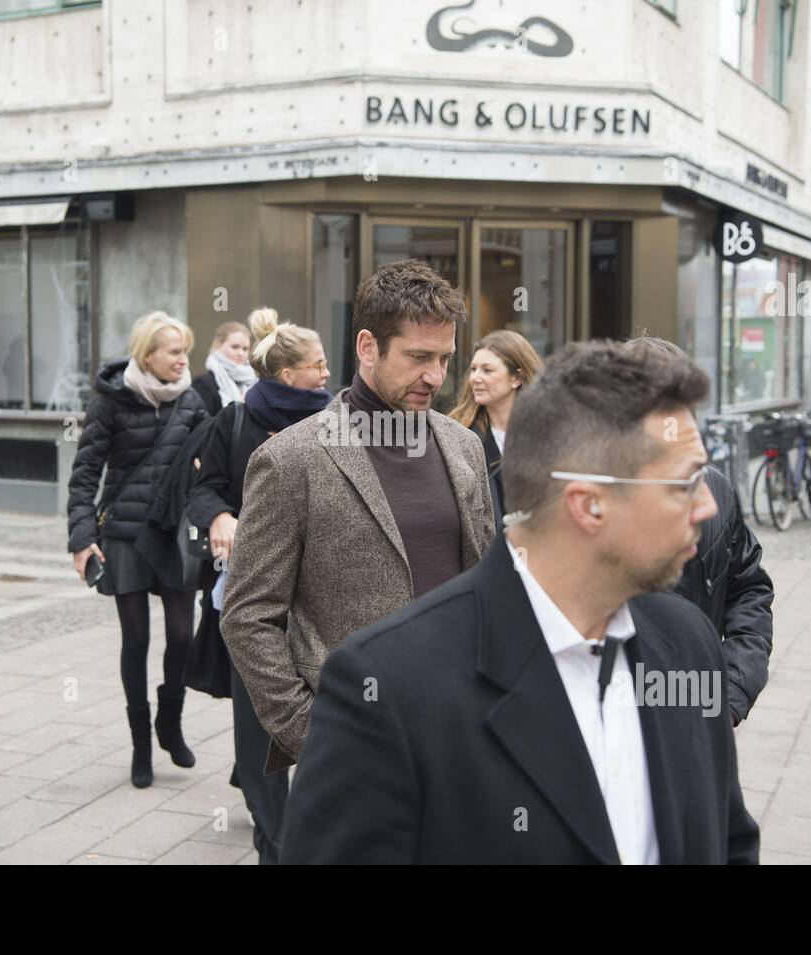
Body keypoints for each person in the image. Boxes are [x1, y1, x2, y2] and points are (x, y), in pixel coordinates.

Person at [280, 339, 759, 864]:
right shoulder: (389, 691)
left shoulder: (687, 642)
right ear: (589, 505)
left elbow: (729, 841)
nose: (708, 505)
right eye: (684, 483)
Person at [221, 259, 495, 774]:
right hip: (356, 749)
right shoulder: (291, 459)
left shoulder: (464, 447)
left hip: (461, 732)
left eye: (444, 358)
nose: (435, 376)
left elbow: (485, 584)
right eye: (418, 357)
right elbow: (248, 614)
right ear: (368, 347)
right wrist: (314, 733)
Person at [186, 309, 331, 864]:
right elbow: (202, 490)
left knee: (320, 722)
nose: (325, 372)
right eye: (317, 364)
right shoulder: (235, 420)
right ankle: (276, 846)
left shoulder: (340, 423)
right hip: (254, 602)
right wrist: (220, 515)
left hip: (321, 600)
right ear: (287, 373)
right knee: (257, 728)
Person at [67, 313, 209, 788]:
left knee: (183, 637)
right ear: (147, 354)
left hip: (172, 534)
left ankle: (169, 722)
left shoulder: (191, 401)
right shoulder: (110, 402)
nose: (182, 359)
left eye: (185, 351)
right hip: (124, 536)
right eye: (173, 351)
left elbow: (214, 462)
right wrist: (81, 538)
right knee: (135, 641)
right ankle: (141, 746)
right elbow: (85, 473)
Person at [627, 337, 773, 727]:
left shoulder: (715, 490)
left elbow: (750, 589)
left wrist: (731, 693)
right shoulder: (593, 503)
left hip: (700, 717)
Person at [448, 329, 543, 534]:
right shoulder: (458, 435)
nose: (475, 378)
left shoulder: (548, 434)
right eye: (473, 369)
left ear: (516, 378)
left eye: (487, 370)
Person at [191, 319, 257, 416]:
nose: (240, 353)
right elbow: (203, 426)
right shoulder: (203, 383)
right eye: (235, 347)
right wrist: (237, 407)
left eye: (245, 349)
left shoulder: (255, 381)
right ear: (218, 345)